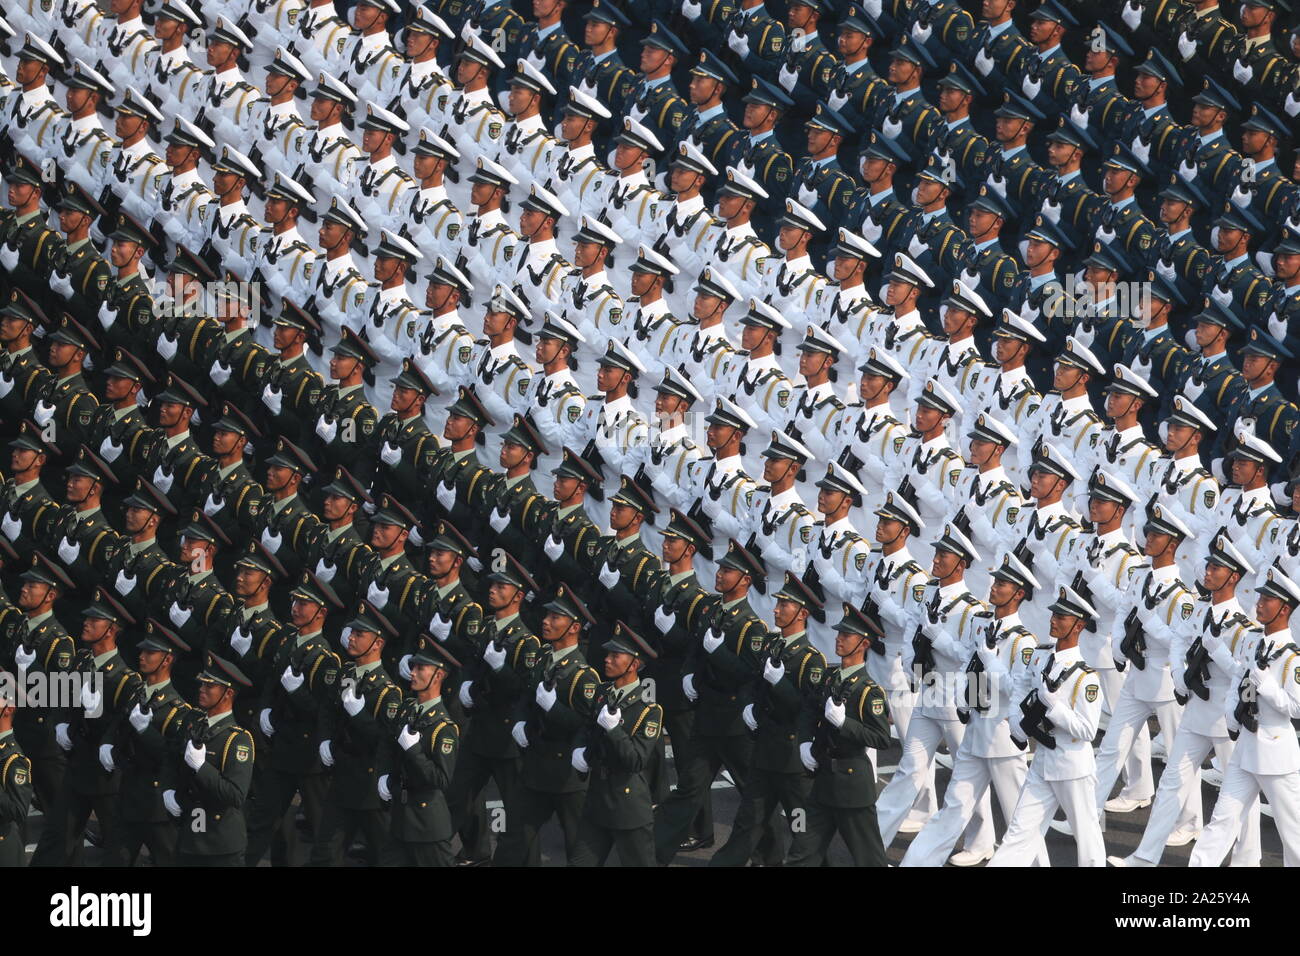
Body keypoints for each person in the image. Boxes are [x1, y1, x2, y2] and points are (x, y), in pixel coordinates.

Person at [989, 586, 1105, 867]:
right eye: (1054, 614)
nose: (1053, 620)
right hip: (1042, 761)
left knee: (1087, 837)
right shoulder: (1041, 656)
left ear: (1078, 625)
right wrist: (1017, 720)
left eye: (1061, 617)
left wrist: (1054, 707)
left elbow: (1088, 731)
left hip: (1072, 766)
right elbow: (1020, 686)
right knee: (1019, 831)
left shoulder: (1085, 678)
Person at [786, 603, 892, 866]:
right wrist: (804, 742)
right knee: (802, 850)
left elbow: (882, 738)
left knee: (869, 858)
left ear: (864, 644)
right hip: (821, 781)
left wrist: (844, 723)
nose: (839, 639)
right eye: (839, 634)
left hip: (851, 785)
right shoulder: (829, 677)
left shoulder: (869, 691)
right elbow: (808, 711)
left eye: (846, 636)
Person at [570, 622, 664, 867]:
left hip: (628, 806)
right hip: (597, 801)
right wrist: (578, 750)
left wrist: (614, 730)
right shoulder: (602, 693)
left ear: (634, 664)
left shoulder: (648, 709)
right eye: (608, 653)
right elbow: (586, 727)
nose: (607, 659)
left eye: (615, 655)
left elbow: (636, 760)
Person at [165, 654, 256, 867]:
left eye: (210, 686)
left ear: (228, 693)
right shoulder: (193, 720)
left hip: (220, 844)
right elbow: (170, 756)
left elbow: (235, 794)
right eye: (203, 683)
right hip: (190, 834)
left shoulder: (238, 739)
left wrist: (201, 767)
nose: (202, 689)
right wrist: (167, 790)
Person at [380, 638, 462, 867]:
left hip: (427, 826)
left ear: (438, 676)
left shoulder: (443, 727)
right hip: (401, 819)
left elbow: (441, 779)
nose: (412, 673)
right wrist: (384, 775)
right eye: (413, 666)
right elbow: (387, 743)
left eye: (420, 668)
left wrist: (414, 750)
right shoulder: (407, 709)